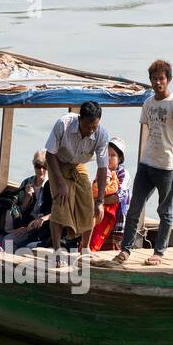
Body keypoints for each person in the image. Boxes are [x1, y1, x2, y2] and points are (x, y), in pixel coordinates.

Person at [100, 59, 173, 267]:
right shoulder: (148, 103)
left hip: (167, 167)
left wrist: (172, 149)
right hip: (146, 163)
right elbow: (147, 129)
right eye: (154, 79)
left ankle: (159, 252)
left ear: (169, 80)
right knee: (134, 208)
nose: (158, 83)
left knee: (165, 211)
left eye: (161, 79)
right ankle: (125, 250)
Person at [43, 101, 110, 252]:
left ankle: (85, 250)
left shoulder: (102, 134)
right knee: (61, 202)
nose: (90, 130)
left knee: (88, 203)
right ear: (80, 119)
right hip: (58, 162)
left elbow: (102, 167)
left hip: (78, 164)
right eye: (87, 126)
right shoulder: (64, 124)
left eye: (94, 127)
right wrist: (60, 183)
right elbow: (50, 154)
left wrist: (100, 201)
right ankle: (57, 250)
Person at [87, 140, 126, 251]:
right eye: (107, 155)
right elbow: (94, 189)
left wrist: (99, 200)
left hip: (117, 222)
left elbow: (118, 197)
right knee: (97, 248)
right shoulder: (102, 171)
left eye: (113, 155)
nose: (109, 158)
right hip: (100, 217)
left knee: (111, 251)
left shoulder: (123, 173)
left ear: (120, 158)